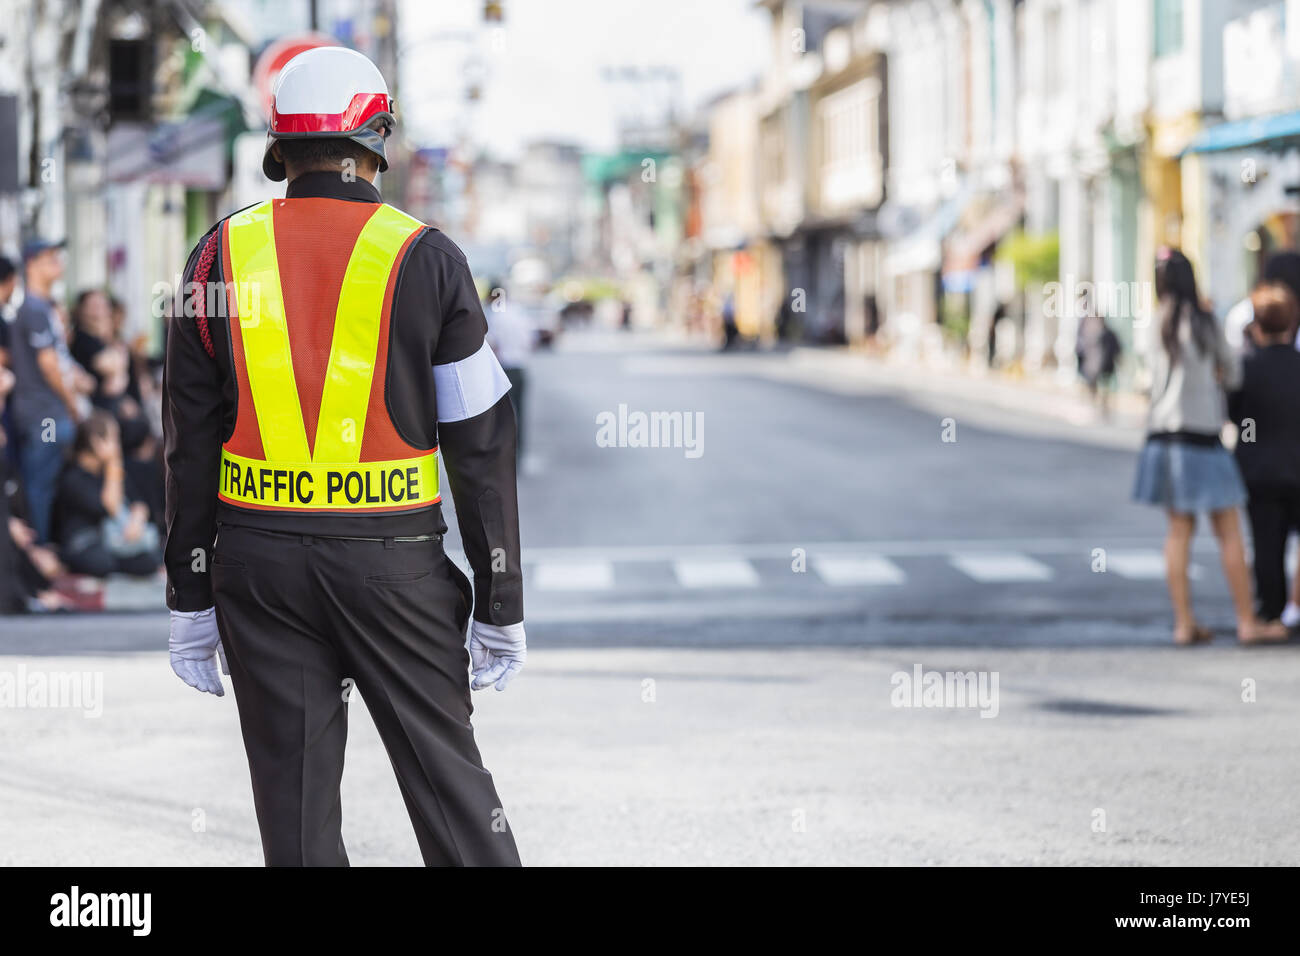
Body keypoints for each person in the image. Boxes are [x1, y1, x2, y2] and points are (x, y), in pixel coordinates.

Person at [162, 47, 524, 866]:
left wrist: (188, 592)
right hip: (393, 567)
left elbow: (188, 442)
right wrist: (502, 596)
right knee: (456, 797)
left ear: (279, 146)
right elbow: (481, 443)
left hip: (257, 566)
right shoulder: (429, 256)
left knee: (295, 830)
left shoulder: (215, 256)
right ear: (377, 140)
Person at [1132, 248, 1286, 645]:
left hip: (1163, 439)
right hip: (1202, 438)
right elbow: (1233, 376)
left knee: (1178, 532)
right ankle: (1247, 622)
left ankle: (1184, 623)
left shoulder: (1152, 324)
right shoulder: (1205, 321)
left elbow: (1145, 381)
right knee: (1229, 532)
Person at [1227, 282, 1300, 629]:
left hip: (1259, 470)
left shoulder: (1246, 366)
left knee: (1266, 545)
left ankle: (1270, 613)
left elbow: (1235, 414)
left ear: (1256, 324)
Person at [8, 239, 82, 542]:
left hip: (48, 411)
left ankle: (43, 547)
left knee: (47, 484)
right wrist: (72, 404)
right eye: (49, 257)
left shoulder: (44, 308)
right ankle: (37, 551)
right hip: (44, 415)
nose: (57, 263)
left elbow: (60, 362)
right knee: (39, 486)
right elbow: (49, 366)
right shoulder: (34, 309)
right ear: (32, 263)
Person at [52, 411, 161, 577]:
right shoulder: (73, 477)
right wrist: (113, 462)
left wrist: (136, 521)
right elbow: (109, 507)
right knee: (102, 563)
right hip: (83, 541)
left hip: (113, 538)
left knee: (151, 560)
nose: (118, 446)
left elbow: (137, 501)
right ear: (96, 442)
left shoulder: (108, 472)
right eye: (113, 439)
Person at [1075, 308, 1121, 417]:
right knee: (1093, 384)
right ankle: (1096, 405)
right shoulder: (1089, 332)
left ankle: (1103, 407)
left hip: (1105, 365)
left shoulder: (1106, 333)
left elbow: (1116, 348)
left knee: (1104, 387)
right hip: (1095, 365)